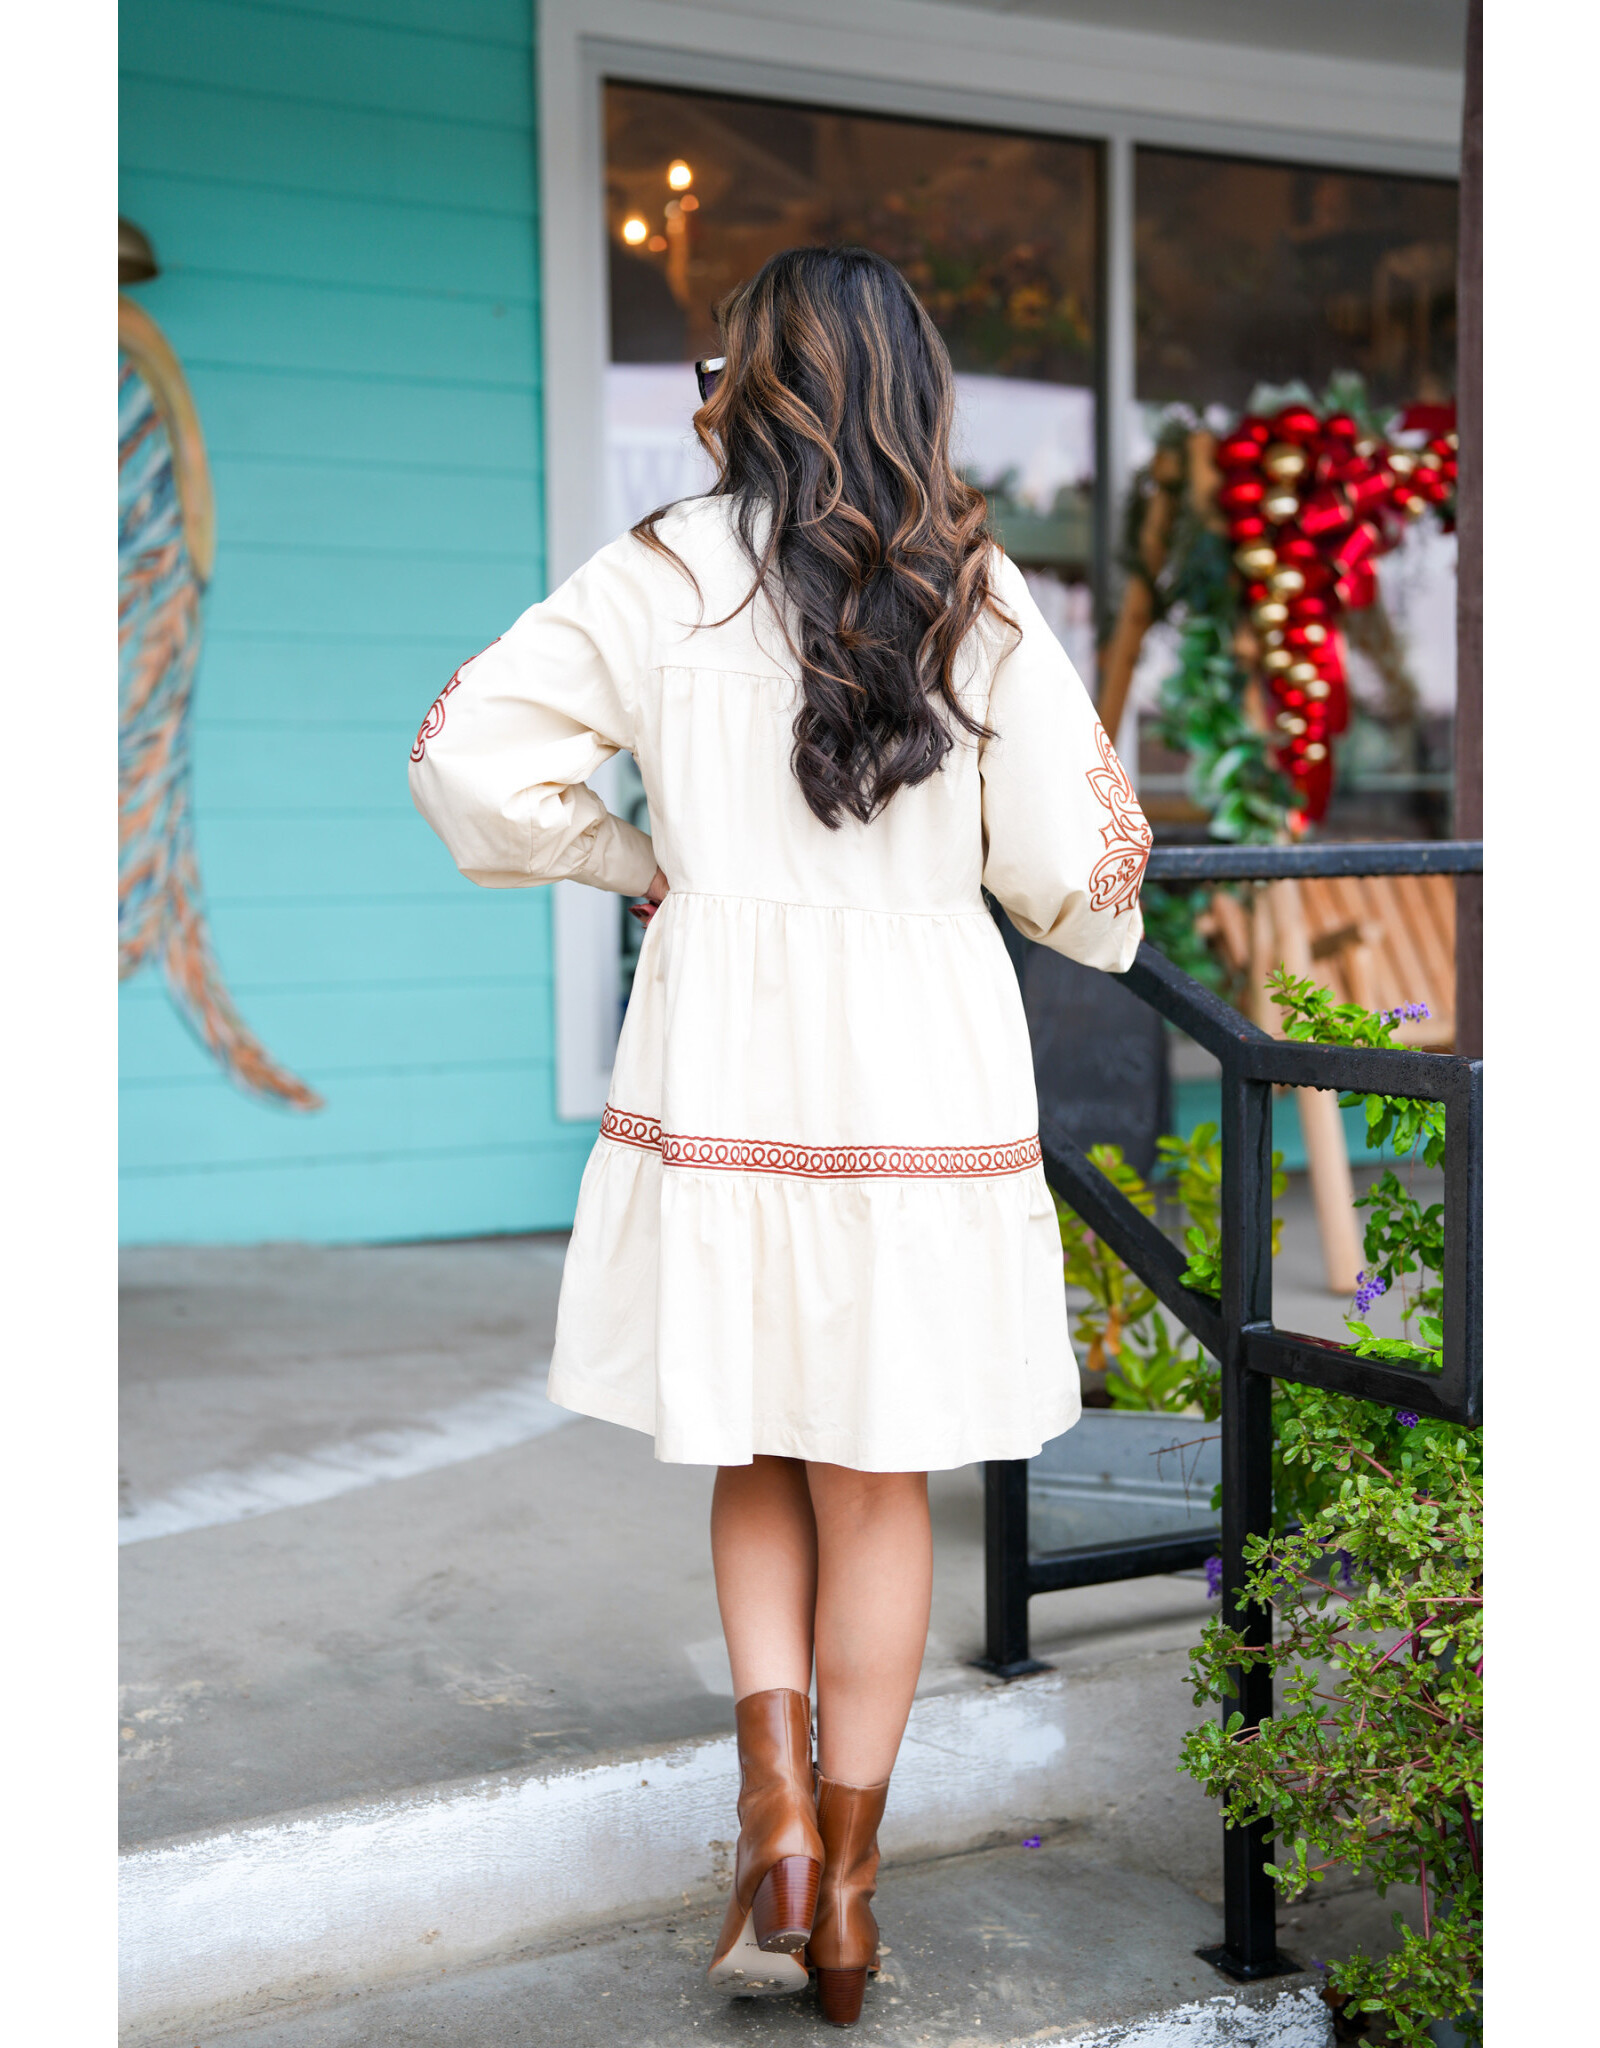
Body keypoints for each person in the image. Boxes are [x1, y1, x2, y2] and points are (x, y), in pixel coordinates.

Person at [409, 245, 1150, 2027]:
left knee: (753, 1438)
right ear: (913, 386)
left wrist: (636, 860)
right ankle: (853, 1882)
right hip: (920, 1070)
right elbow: (1078, 867)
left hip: (727, 1058)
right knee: (877, 1470)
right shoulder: (974, 589)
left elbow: (467, 762)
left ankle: (770, 1830)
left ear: (747, 378)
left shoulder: (659, 569)